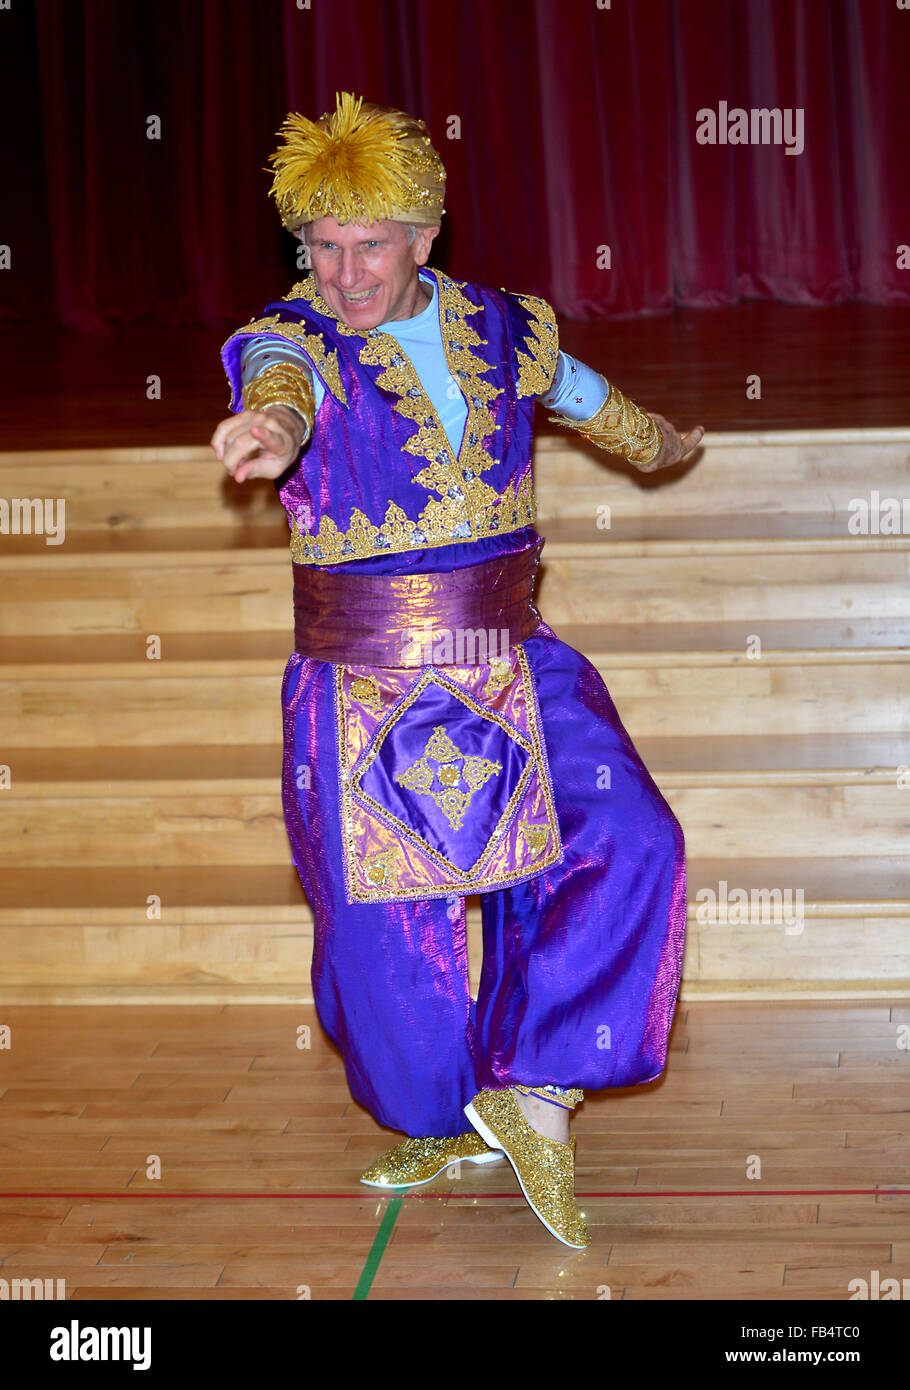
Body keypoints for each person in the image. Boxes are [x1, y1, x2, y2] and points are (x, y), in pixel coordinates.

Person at [211, 92, 703, 1248]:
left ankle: (536, 1086)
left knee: (634, 838)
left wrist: (658, 441)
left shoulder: (503, 325)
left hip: (512, 658)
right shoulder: (290, 339)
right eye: (322, 247)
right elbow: (277, 389)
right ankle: (433, 1116)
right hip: (363, 680)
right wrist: (271, 431)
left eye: (369, 245)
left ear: (424, 236)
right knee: (386, 930)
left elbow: (579, 393)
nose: (344, 273)